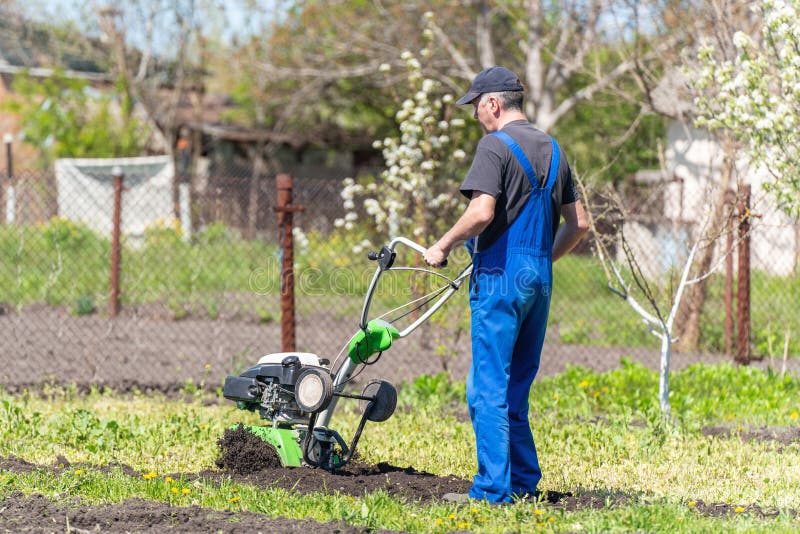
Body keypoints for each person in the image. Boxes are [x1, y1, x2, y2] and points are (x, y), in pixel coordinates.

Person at [423, 66, 589, 504]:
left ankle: (493, 491)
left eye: (477, 106)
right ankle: (523, 483)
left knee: (488, 388)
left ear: (493, 103)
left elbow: (481, 213)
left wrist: (441, 245)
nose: (476, 115)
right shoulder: (555, 150)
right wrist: (539, 263)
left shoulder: (493, 146)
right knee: (516, 385)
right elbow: (580, 224)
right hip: (539, 279)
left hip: (499, 277)